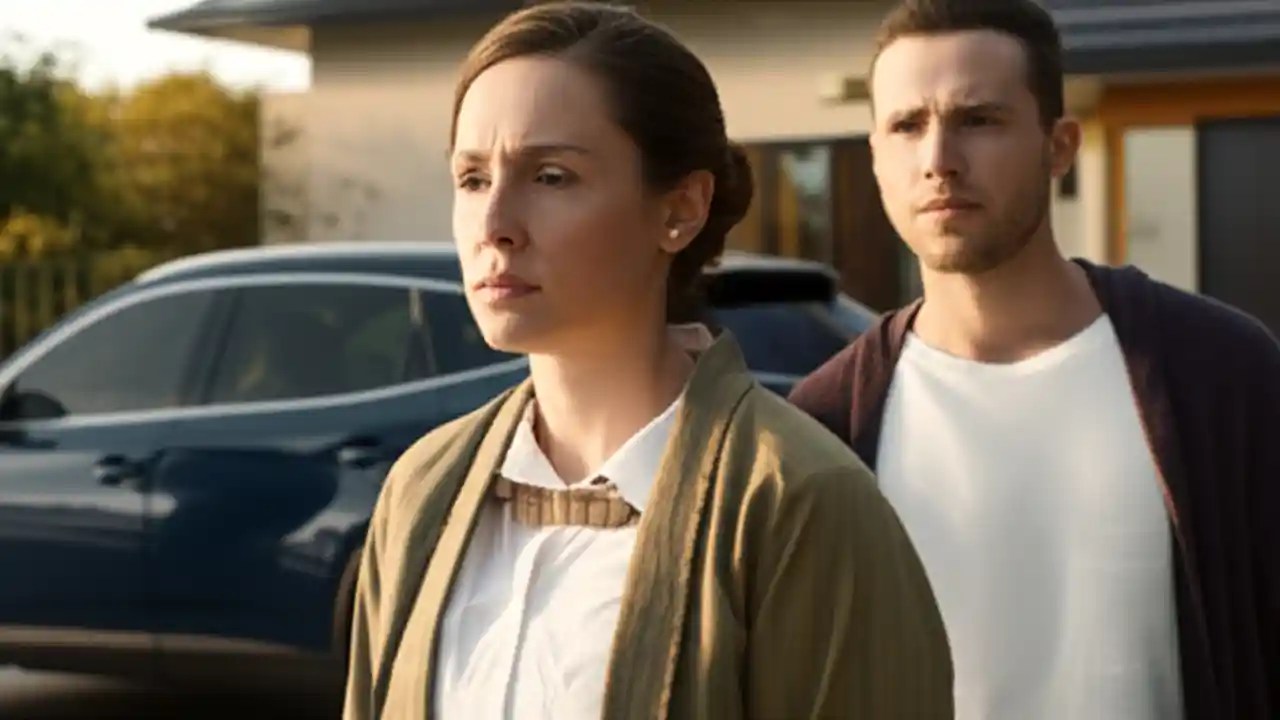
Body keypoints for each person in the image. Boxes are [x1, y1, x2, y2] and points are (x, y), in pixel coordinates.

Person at [341, 3, 952, 719]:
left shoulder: (798, 503)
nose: (494, 226)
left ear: (680, 210)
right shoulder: (423, 493)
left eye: (551, 177)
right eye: (472, 179)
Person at [788, 1, 1280, 719]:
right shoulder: (824, 426)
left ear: (1059, 146)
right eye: (906, 126)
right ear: (874, 156)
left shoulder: (1219, 376)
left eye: (979, 120)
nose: (938, 161)